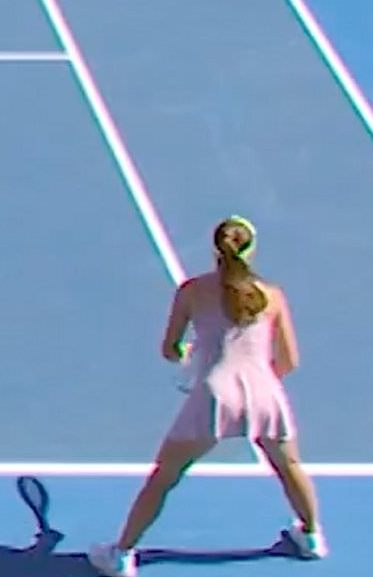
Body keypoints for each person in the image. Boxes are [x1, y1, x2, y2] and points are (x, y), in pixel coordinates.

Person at [88, 218, 325, 577]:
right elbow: (288, 361)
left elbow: (170, 348)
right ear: (251, 249)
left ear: (215, 250)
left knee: (165, 475)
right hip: (265, 393)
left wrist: (188, 354)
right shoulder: (272, 296)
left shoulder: (192, 291)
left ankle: (121, 554)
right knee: (289, 466)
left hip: (216, 395)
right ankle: (311, 537)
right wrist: (256, 382)